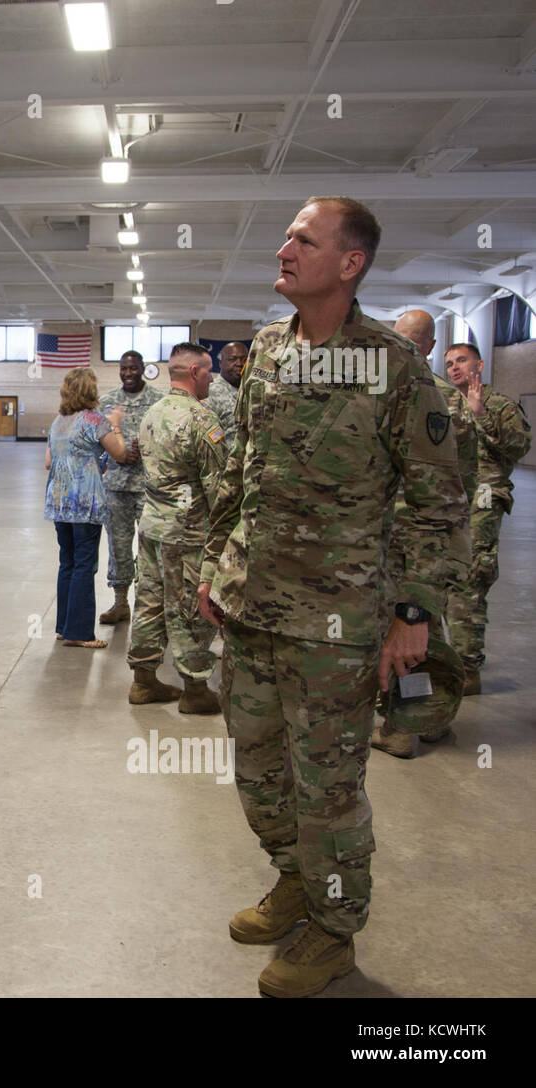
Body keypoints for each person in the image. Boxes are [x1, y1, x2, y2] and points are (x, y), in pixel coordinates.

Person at [196, 196, 469, 998]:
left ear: (349, 264)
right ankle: (294, 881)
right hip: (252, 609)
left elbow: (437, 500)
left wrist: (413, 613)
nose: (283, 249)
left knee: (328, 791)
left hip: (337, 626)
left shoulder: (394, 366)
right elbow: (242, 472)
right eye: (286, 236)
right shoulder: (271, 351)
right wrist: (219, 563)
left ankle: (334, 930)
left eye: (303, 240)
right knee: (258, 772)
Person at [372, 309, 478, 758]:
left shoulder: (380, 390)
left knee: (390, 625)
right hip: (432, 535)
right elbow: (464, 480)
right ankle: (428, 719)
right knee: (423, 623)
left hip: (389, 533)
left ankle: (397, 726)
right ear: (432, 349)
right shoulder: (452, 402)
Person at [127, 343, 226, 713]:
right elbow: (218, 488)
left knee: (150, 600)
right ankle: (195, 690)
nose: (213, 378)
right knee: (189, 607)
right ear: (196, 373)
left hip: (151, 525)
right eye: (210, 371)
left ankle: (143, 681)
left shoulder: (152, 412)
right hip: (188, 532)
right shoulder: (202, 419)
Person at [443, 342, 531, 695]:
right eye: (449, 363)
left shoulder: (500, 405)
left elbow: (520, 447)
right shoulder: (445, 402)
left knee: (471, 578)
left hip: (483, 497)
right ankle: (449, 654)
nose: (454, 368)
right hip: (450, 499)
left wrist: (478, 417)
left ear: (479, 364)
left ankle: (467, 668)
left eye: (461, 360)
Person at [44, 367, 127, 647]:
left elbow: (48, 462)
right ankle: (79, 633)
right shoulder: (95, 420)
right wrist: (115, 423)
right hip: (85, 504)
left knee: (67, 563)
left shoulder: (58, 422)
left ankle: (63, 627)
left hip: (59, 502)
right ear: (90, 390)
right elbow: (121, 453)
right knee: (84, 565)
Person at [97, 350, 166, 626]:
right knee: (119, 547)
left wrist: (146, 448)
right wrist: (118, 452)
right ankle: (120, 602)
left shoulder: (159, 401)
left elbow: (168, 437)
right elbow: (99, 439)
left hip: (150, 487)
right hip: (115, 487)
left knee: (152, 548)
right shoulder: (107, 402)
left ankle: (151, 606)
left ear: (142, 369)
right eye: (124, 369)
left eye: (133, 369)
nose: (128, 373)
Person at [203, 341, 247, 445]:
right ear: (220, 363)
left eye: (244, 360)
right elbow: (207, 435)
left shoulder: (251, 392)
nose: (239, 364)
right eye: (232, 359)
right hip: (226, 459)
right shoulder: (210, 392)